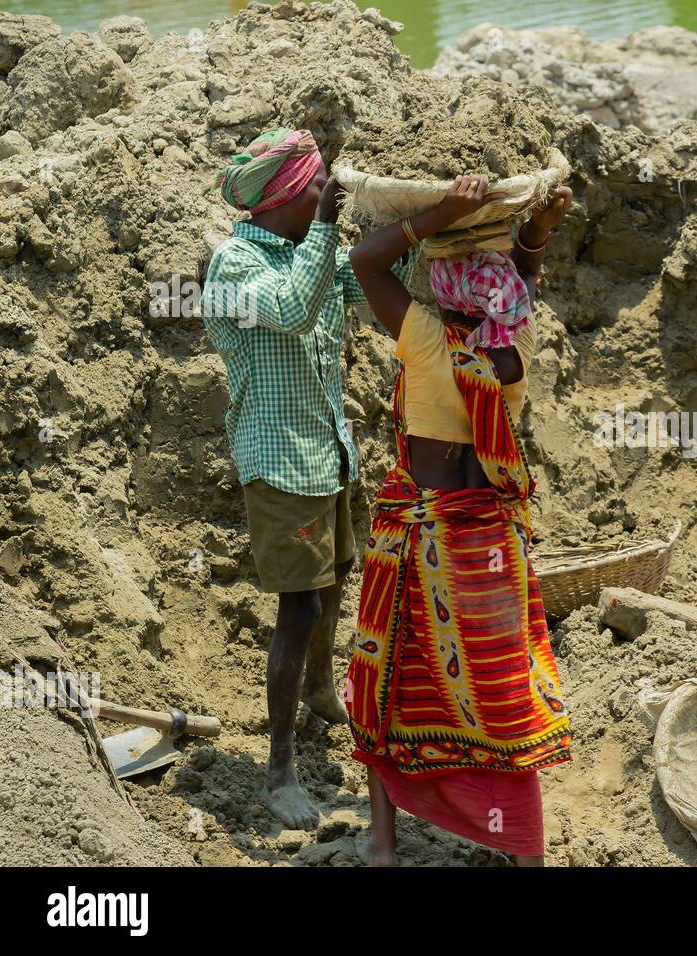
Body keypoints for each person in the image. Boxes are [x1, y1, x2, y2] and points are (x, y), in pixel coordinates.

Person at [344, 175, 574, 867]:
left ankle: (383, 845)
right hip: (490, 547)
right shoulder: (514, 349)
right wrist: (537, 230)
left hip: (423, 541)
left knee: (382, 686)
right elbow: (520, 282)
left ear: (442, 287)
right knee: (503, 694)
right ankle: (526, 853)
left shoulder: (422, 336)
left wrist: (441, 212)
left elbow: (363, 262)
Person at [201, 127, 420, 829]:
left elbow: (376, 281)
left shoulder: (308, 253)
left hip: (327, 454)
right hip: (278, 463)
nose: (328, 194)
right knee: (297, 609)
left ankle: (323, 692)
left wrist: (418, 230)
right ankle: (278, 772)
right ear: (284, 198)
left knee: (334, 583)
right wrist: (329, 228)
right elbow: (294, 309)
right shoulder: (234, 266)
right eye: (316, 187)